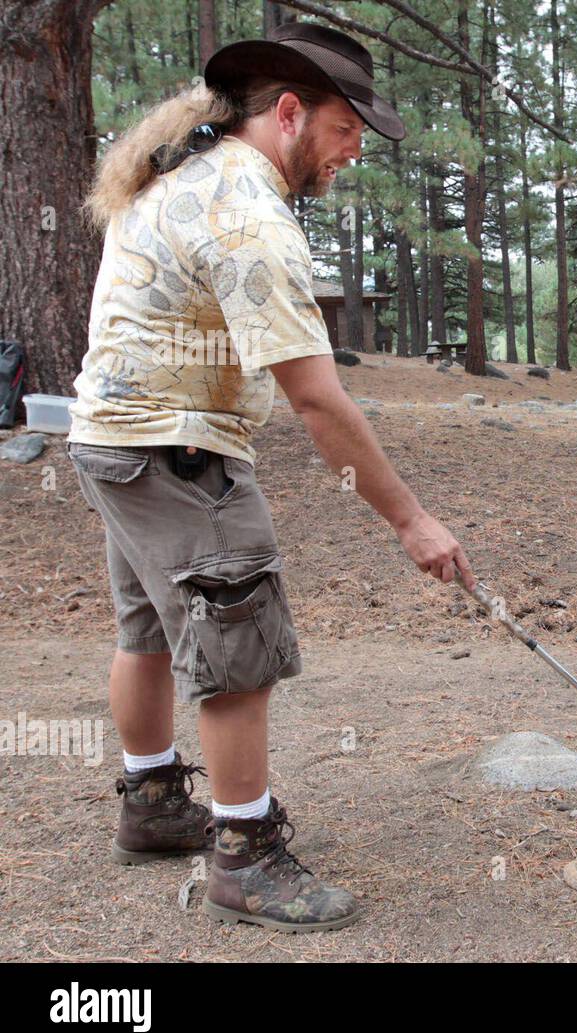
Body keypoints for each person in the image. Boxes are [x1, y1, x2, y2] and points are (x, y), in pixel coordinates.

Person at [69, 22, 475, 932]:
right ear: (288, 113)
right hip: (179, 452)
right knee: (236, 651)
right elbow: (318, 399)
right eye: (344, 129)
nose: (353, 152)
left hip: (112, 442)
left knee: (148, 629)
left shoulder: (179, 174)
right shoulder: (249, 212)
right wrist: (412, 521)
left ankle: (152, 803)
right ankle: (245, 859)